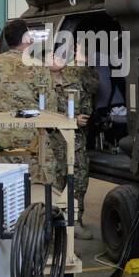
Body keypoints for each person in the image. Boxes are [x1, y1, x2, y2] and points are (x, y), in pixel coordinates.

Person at [43, 42, 99, 238]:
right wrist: (71, 119)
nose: (55, 60)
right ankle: (50, 222)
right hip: (49, 143)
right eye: (50, 56)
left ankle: (75, 221)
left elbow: (92, 88)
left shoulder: (73, 76)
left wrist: (83, 64)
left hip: (74, 142)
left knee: (79, 181)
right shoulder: (41, 82)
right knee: (52, 184)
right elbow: (40, 112)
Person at [0, 19, 47, 167]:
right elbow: (49, 105)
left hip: (1, 138)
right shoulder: (37, 66)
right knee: (31, 183)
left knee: (4, 182)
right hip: (31, 140)